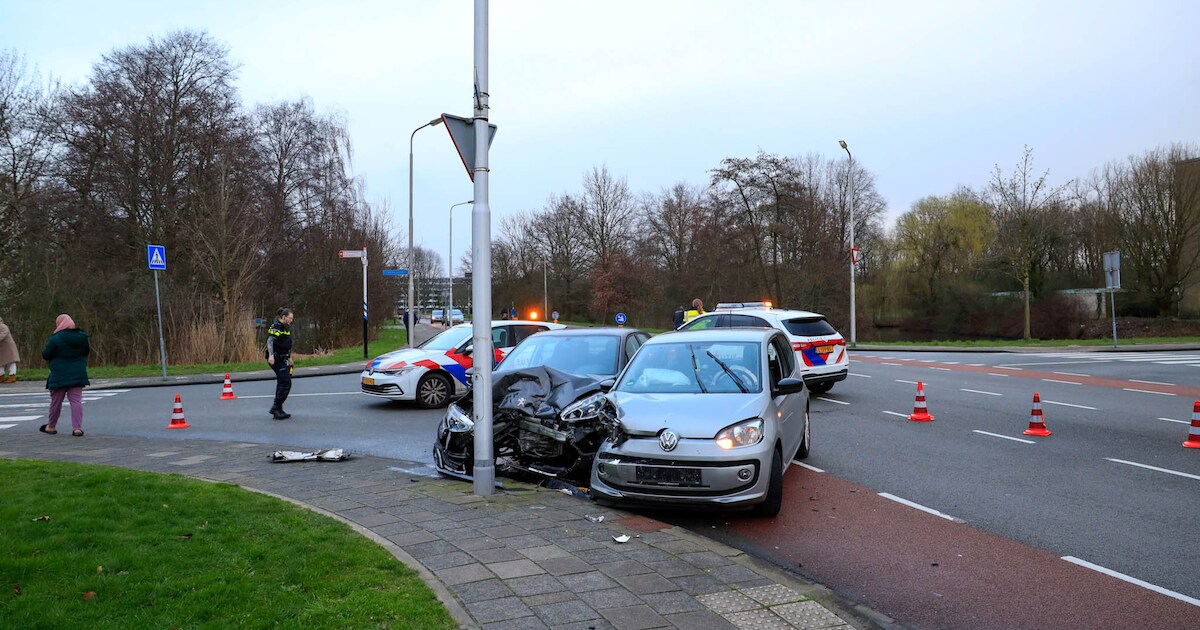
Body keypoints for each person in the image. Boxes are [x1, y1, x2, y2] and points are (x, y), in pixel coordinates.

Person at [39, 314, 89, 436]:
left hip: (59, 375)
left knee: (56, 402)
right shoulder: (82, 337)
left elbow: (46, 354)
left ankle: (51, 426)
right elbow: (86, 352)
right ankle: (77, 428)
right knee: (76, 402)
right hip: (78, 373)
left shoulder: (55, 338)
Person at [266, 308, 295, 420]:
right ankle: (276, 408)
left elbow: (286, 344)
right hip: (276, 358)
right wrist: (271, 355)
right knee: (286, 382)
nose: (291, 320)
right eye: (290, 318)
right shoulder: (276, 327)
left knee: (283, 382)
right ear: (284, 317)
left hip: (283, 358)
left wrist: (289, 357)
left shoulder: (285, 328)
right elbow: (270, 341)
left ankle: (278, 409)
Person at [0, 316, 20, 383]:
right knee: (1, 362)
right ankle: (1, 376)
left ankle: (12, 376)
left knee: (11, 362)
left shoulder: (3, 326)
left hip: (8, 348)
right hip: (2, 348)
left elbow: (3, 335)